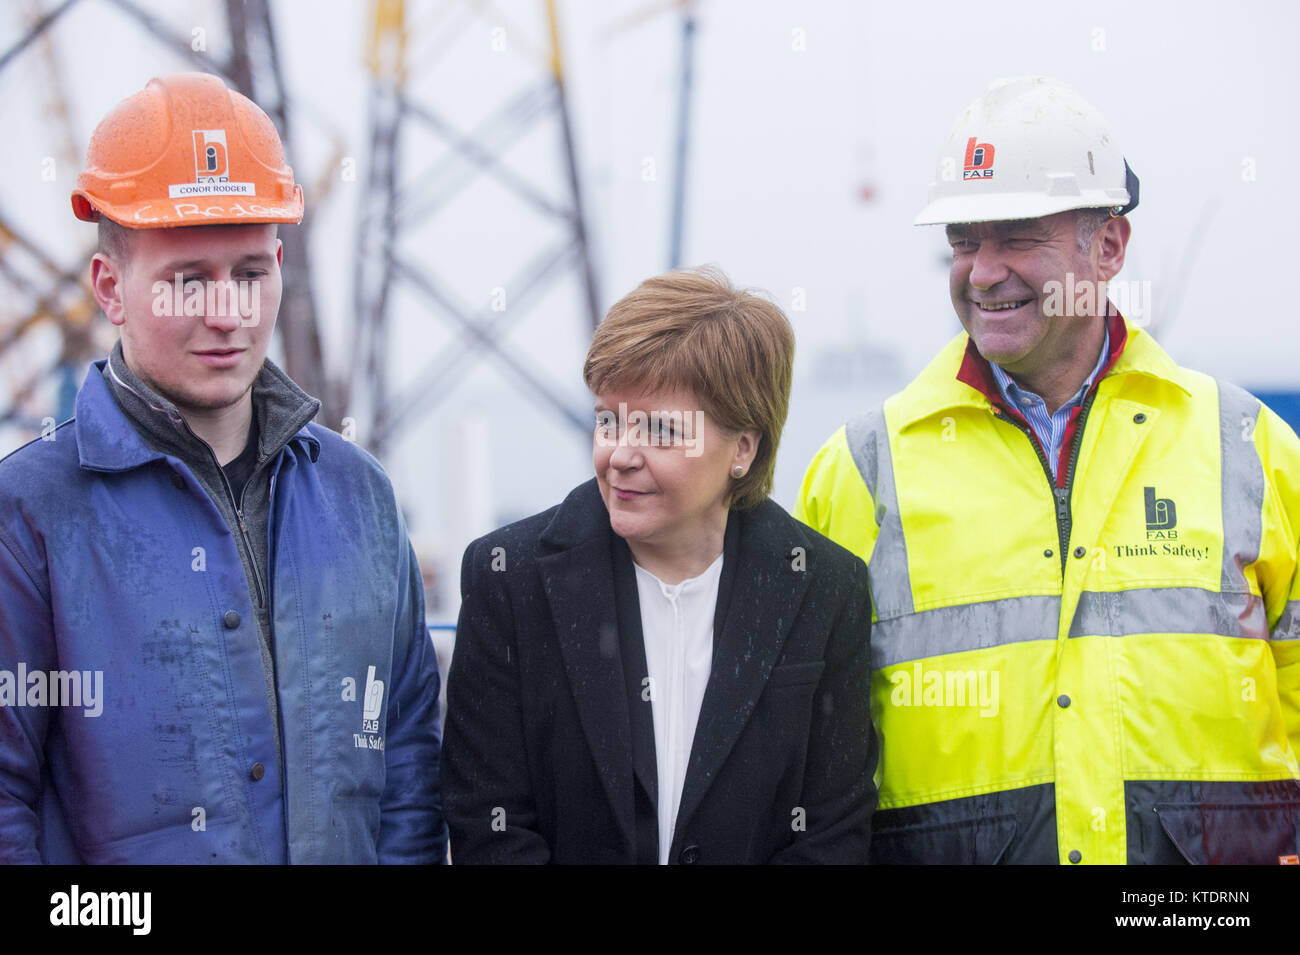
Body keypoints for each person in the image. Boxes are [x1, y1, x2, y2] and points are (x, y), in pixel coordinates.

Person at [797, 76, 1300, 865]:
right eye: (965, 240)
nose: (983, 271)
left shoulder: (1249, 446)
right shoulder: (861, 471)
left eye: (1017, 236)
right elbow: (807, 766)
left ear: (1109, 247)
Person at [0, 73, 446, 863]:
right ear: (111, 287)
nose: (228, 313)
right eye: (187, 280)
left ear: (280, 264)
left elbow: (410, 758)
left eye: (249, 274)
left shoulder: (357, 495)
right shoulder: (31, 513)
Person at [442, 267, 876, 864]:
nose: (620, 454)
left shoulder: (826, 589)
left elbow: (831, 831)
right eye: (607, 420)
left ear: (743, 449)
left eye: (661, 431)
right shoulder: (506, 579)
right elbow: (488, 824)